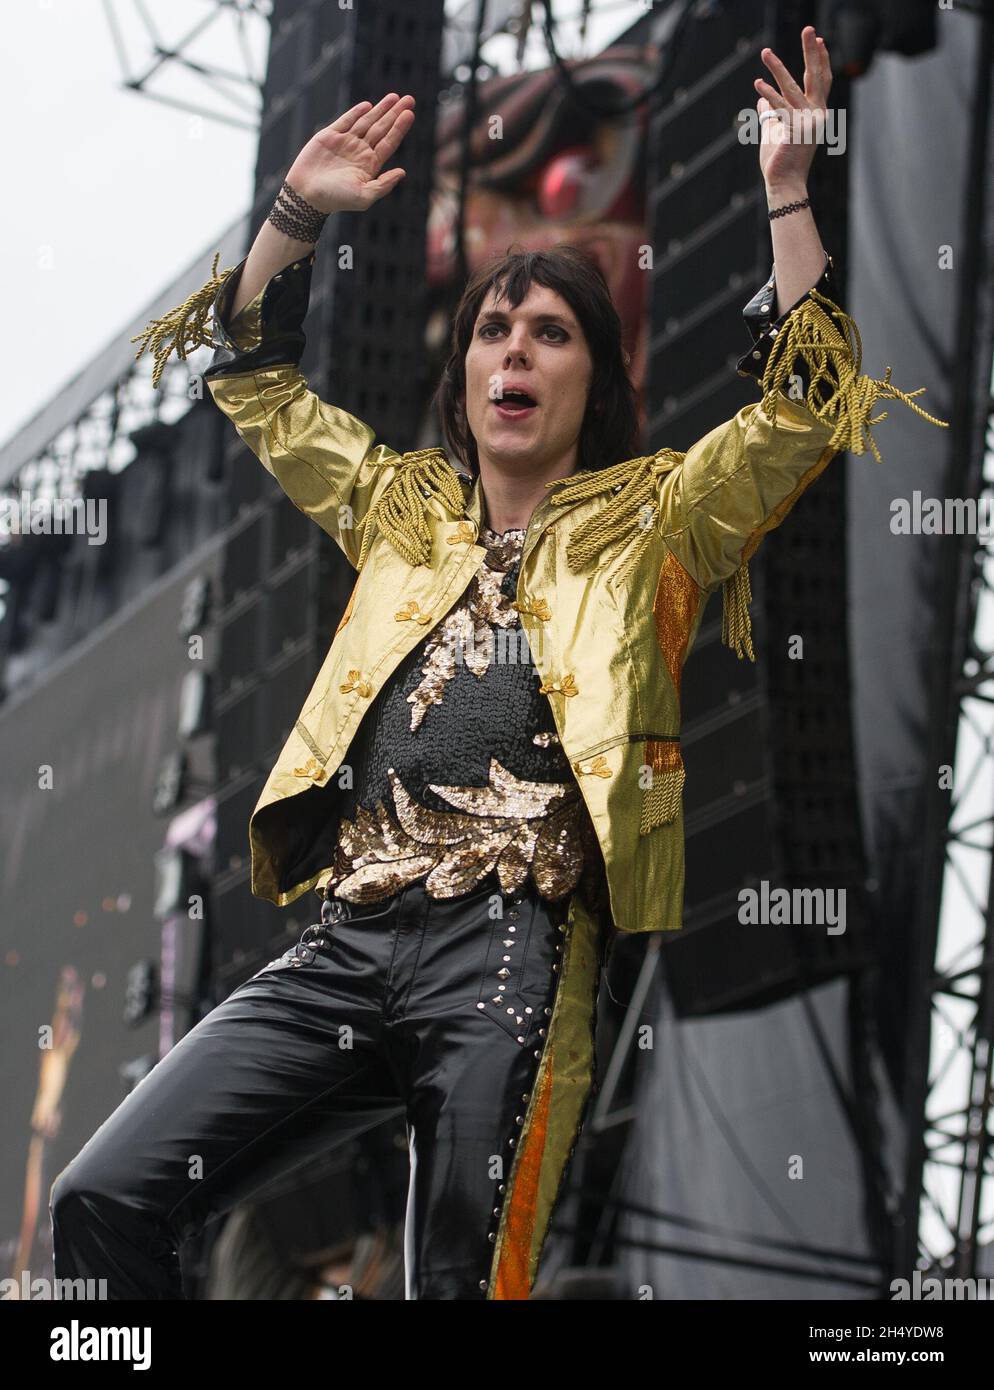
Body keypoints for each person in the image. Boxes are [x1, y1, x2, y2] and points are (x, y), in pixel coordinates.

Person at [49, 30, 946, 1300]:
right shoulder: (401, 510)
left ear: (595, 379)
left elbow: (803, 407)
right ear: (463, 373)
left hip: (513, 950)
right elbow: (254, 380)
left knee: (462, 1283)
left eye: (550, 333)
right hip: (348, 937)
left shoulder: (655, 521)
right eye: (492, 329)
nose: (513, 349)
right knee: (102, 1197)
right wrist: (294, 213)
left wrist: (789, 196)